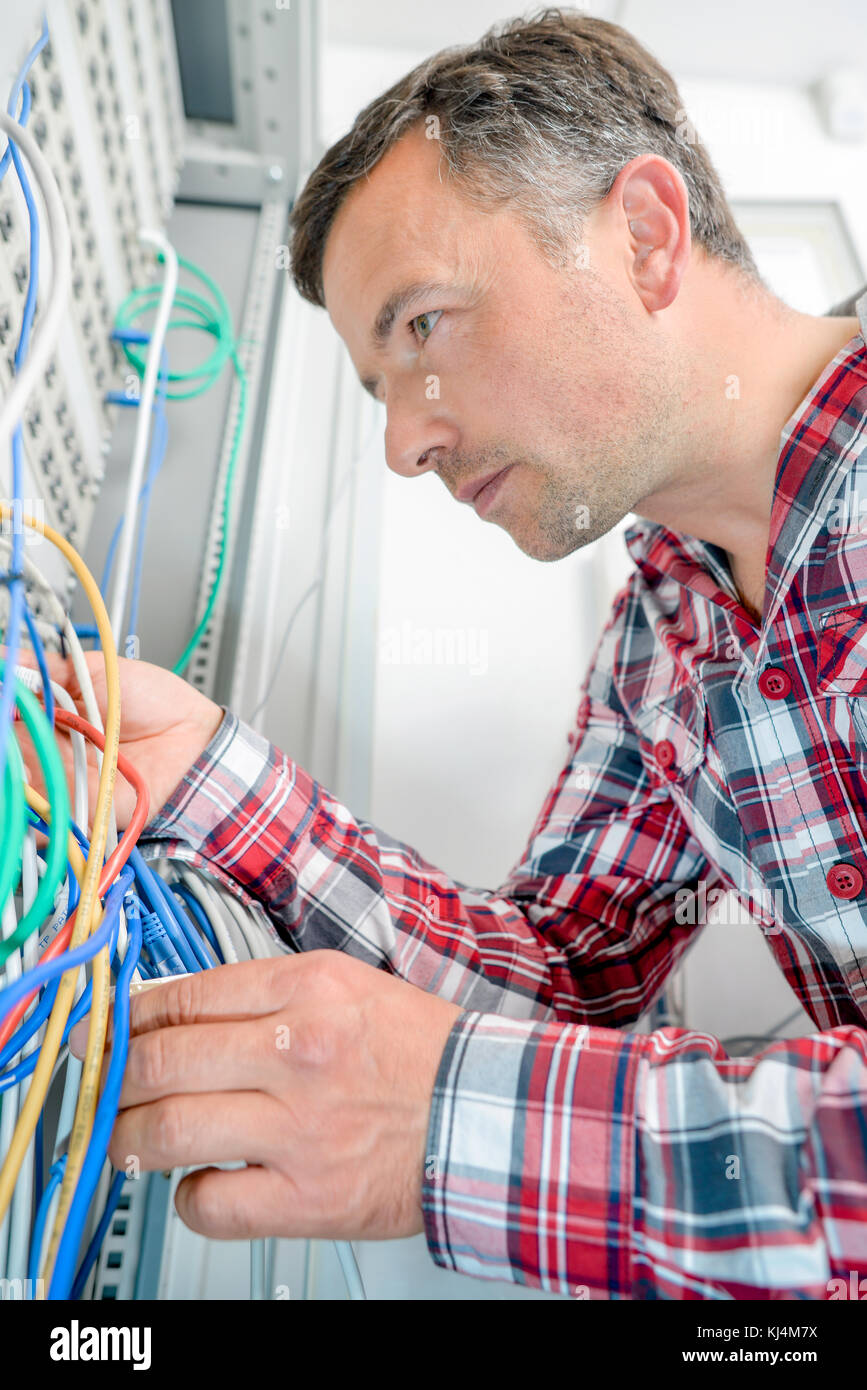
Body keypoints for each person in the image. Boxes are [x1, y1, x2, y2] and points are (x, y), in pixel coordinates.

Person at [15, 9, 867, 1298]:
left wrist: (443, 1125)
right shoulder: (662, 644)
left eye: (422, 325)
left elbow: (488, 1080)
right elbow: (566, 985)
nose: (407, 444)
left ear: (643, 236)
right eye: (375, 386)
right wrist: (210, 776)